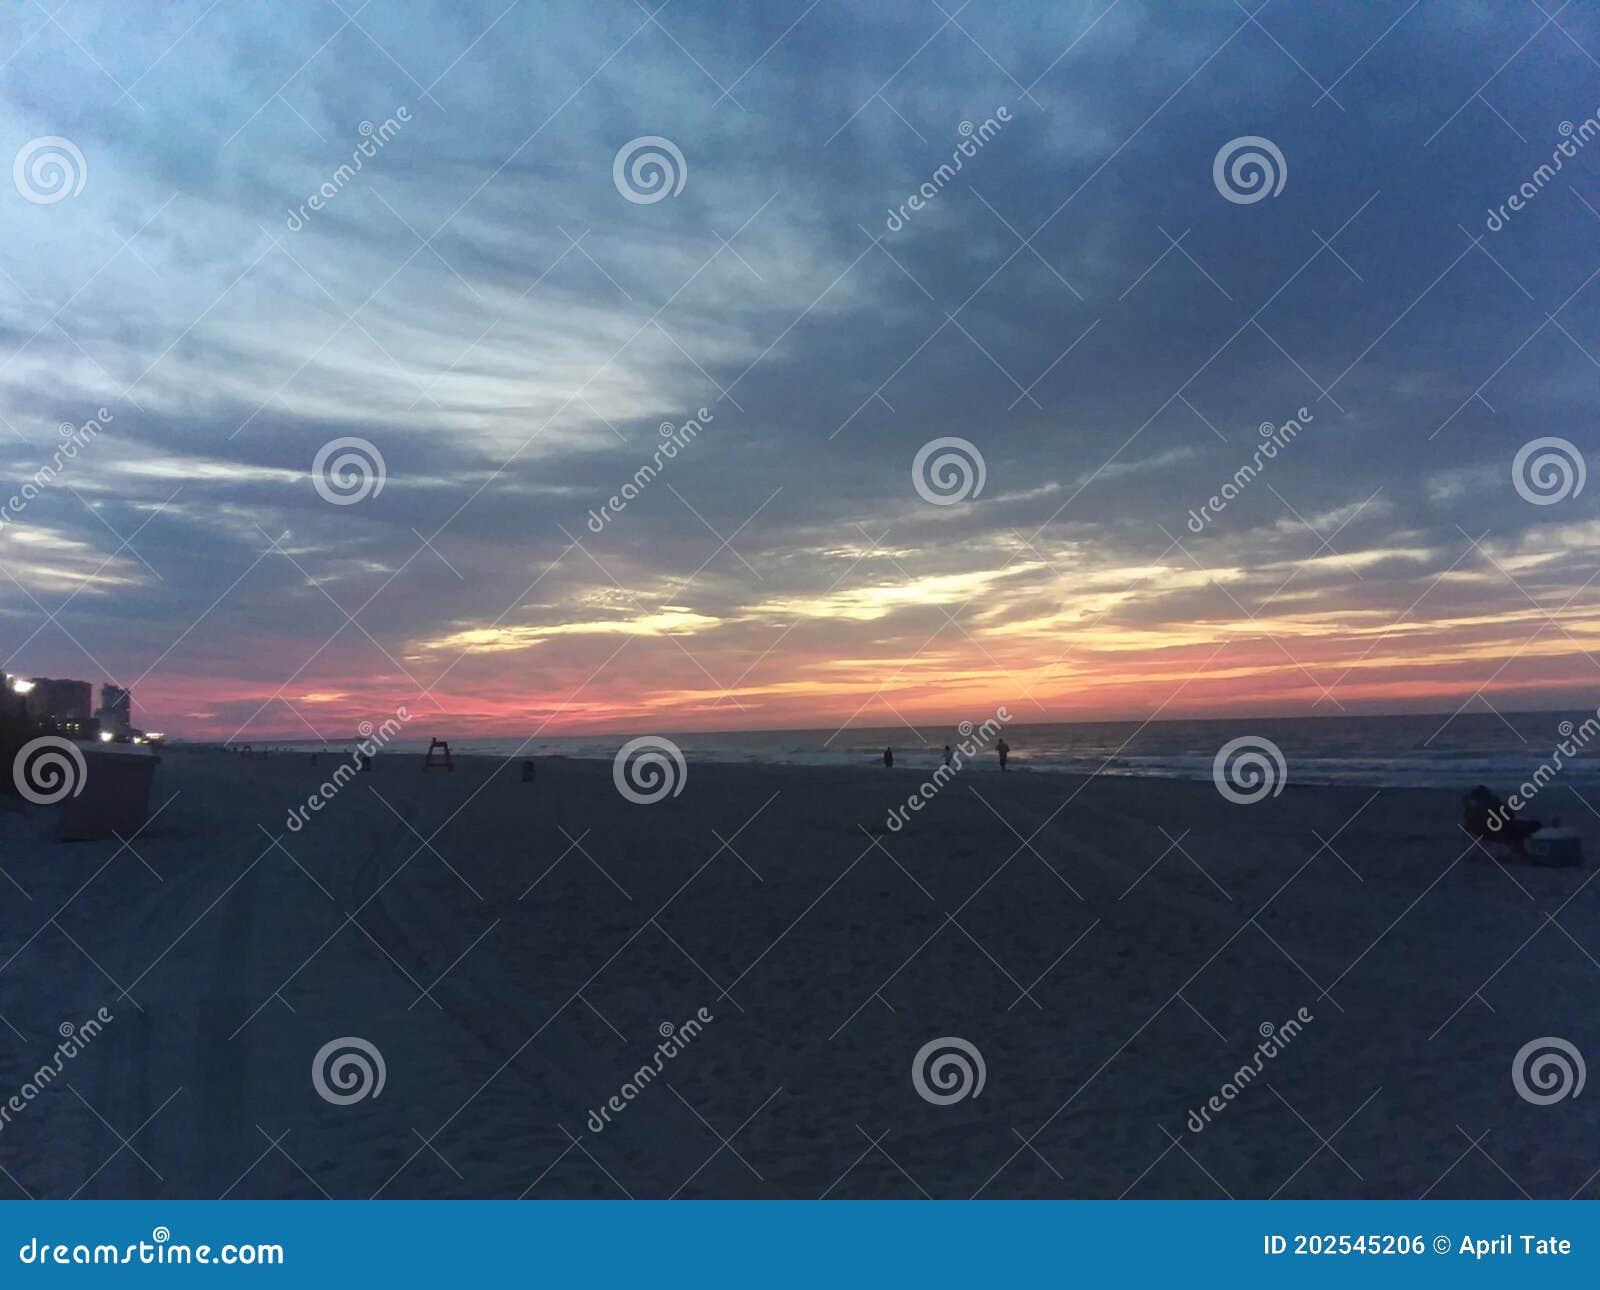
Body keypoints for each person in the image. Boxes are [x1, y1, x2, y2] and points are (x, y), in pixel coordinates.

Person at [1462, 785, 1539, 857]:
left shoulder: (1472, 813)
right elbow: (1510, 815)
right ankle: (1519, 850)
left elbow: (1468, 826)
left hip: (1486, 834)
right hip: (1502, 833)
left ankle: (1517, 849)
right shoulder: (1493, 806)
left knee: (1519, 826)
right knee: (1531, 826)